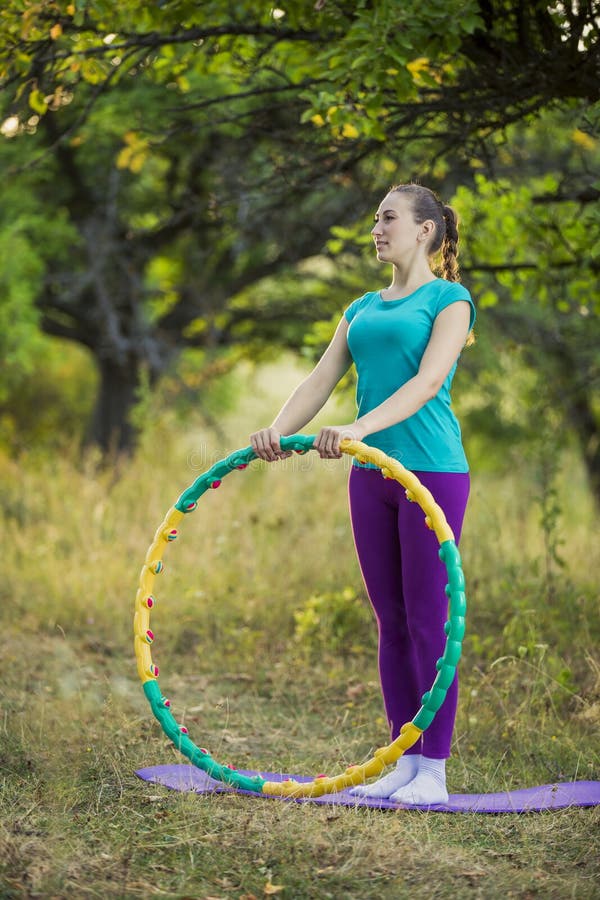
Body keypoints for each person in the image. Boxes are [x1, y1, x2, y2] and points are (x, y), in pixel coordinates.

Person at [250, 183, 476, 805]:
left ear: (424, 230)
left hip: (431, 471)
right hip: (369, 476)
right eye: (375, 219)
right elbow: (320, 377)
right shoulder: (361, 308)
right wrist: (277, 431)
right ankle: (403, 758)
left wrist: (358, 428)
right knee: (393, 621)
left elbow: (429, 383)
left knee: (432, 620)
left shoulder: (450, 301)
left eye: (388, 218)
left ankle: (435, 770)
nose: (376, 229)